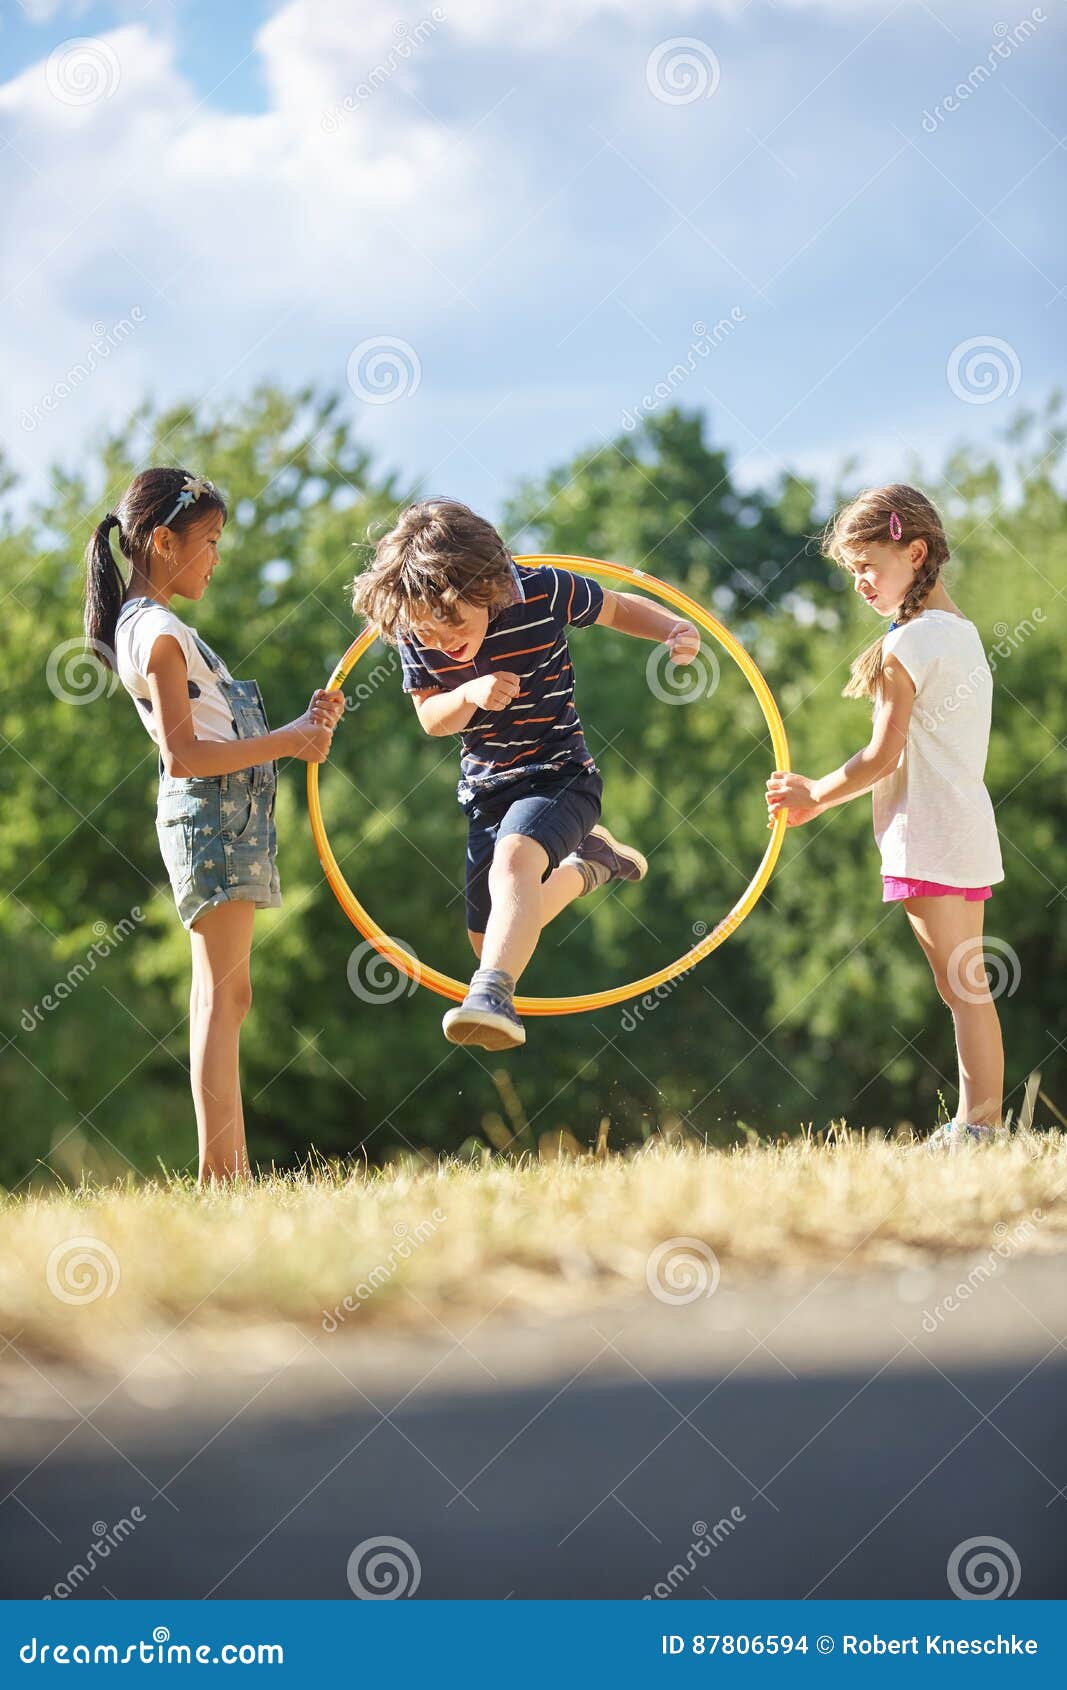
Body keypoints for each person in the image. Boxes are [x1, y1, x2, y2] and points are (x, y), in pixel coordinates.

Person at [350, 498, 701, 1050]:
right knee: (487, 935)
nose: (444, 644)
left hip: (561, 773)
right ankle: (590, 865)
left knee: (514, 864)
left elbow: (615, 608)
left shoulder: (539, 591)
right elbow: (429, 717)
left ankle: (490, 996)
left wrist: (671, 629)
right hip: (487, 788)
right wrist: (465, 693)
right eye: (430, 636)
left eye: (455, 626)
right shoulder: (413, 627)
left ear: (488, 586)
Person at [84, 467, 344, 1183]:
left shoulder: (153, 626)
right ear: (162, 541)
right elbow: (187, 755)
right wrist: (290, 738)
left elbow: (210, 730)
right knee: (220, 997)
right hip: (212, 816)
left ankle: (224, 1172)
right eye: (211, 541)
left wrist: (299, 732)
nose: (217, 558)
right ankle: (222, 1176)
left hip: (229, 814)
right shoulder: (158, 632)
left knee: (228, 995)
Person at [765, 484, 1006, 1149]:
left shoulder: (907, 645)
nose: (860, 583)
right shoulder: (960, 636)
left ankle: (977, 1125)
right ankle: (978, 1122)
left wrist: (814, 792)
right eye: (853, 571)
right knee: (968, 983)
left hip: (927, 834)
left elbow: (878, 758)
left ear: (915, 552)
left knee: (960, 987)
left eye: (869, 564)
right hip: (964, 828)